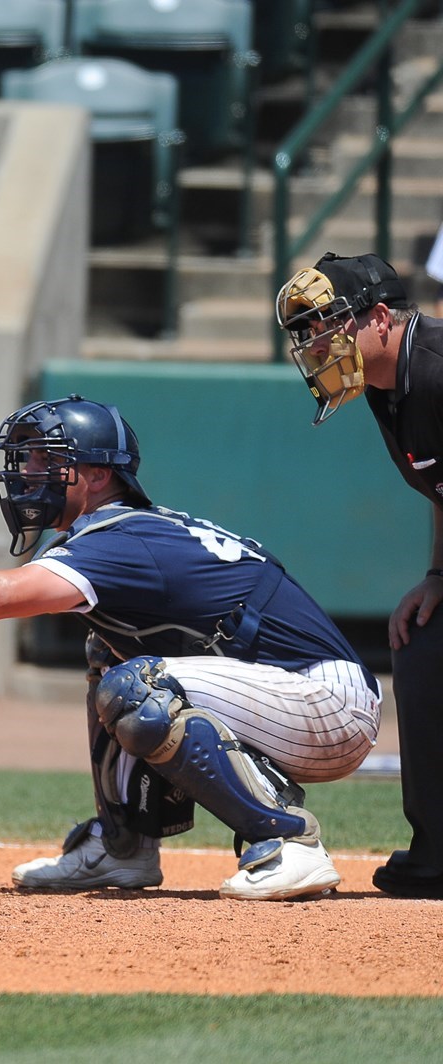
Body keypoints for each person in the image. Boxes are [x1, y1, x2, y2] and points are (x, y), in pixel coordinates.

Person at [0, 395, 380, 901]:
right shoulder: (124, 531)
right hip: (288, 694)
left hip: (326, 703)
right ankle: (123, 847)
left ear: (96, 475)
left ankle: (288, 841)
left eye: (45, 460)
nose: (27, 474)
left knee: (138, 689)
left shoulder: (121, 539)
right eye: (26, 460)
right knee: (108, 651)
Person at [276, 251, 443, 897]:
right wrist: (437, 575)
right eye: (305, 331)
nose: (315, 343)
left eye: (326, 324)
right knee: (423, 645)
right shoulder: (383, 386)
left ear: (378, 317)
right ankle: (436, 855)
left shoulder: (435, 369)